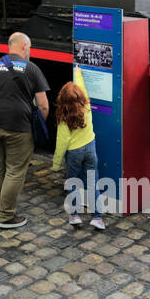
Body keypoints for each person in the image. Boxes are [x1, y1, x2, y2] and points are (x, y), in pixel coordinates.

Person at [0, 32, 49, 229]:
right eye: (30, 48)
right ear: (24, 47)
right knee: (15, 170)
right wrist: (37, 125)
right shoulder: (32, 68)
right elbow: (43, 105)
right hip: (18, 126)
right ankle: (6, 216)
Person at [52, 68, 104, 230]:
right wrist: (78, 73)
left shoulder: (63, 118)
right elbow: (82, 88)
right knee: (93, 182)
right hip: (90, 149)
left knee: (72, 182)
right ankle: (97, 218)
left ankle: (74, 215)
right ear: (80, 96)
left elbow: (62, 142)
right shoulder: (87, 107)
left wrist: (56, 163)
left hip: (74, 153)